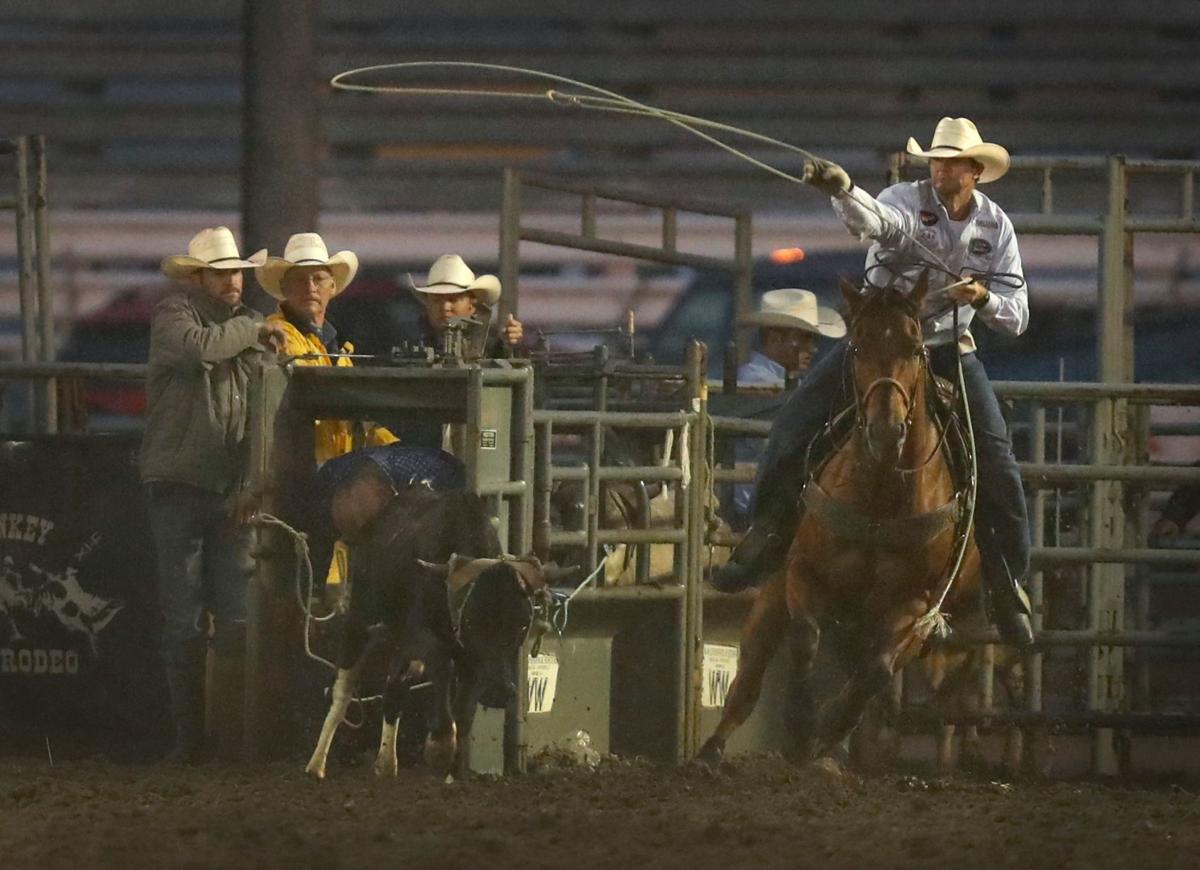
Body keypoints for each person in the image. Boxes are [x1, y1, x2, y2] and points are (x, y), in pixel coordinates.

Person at [714, 117, 1035, 647]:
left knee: (998, 462)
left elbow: (1017, 315)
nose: (941, 167)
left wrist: (982, 299)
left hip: (948, 349)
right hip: (879, 341)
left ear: (976, 171)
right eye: (936, 158)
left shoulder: (996, 228)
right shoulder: (906, 201)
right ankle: (763, 541)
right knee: (792, 427)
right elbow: (876, 222)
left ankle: (1008, 585)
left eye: (952, 160)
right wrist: (844, 191)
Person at [141, 226, 286, 762]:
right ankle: (196, 740)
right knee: (188, 617)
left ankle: (218, 738)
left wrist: (251, 481)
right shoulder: (176, 316)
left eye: (236, 274)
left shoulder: (240, 331)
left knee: (231, 615)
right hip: (182, 486)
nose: (232, 281)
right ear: (199, 277)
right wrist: (254, 328)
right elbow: (198, 350)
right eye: (223, 273)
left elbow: (258, 416)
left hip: (218, 489)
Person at [256, 232, 399, 601]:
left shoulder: (334, 346)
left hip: (330, 476)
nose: (311, 287)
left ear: (332, 287)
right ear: (283, 290)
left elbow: (359, 417)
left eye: (318, 278)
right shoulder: (280, 336)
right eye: (300, 280)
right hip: (298, 479)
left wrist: (395, 453)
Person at [728, 288, 845, 528]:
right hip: (759, 506)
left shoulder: (789, 384)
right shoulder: (756, 382)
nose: (812, 348)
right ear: (774, 337)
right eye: (803, 338)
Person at [410, 253, 523, 357]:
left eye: (453, 299)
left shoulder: (491, 348)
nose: (445, 307)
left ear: (472, 305)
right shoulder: (410, 344)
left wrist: (508, 346)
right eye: (436, 300)